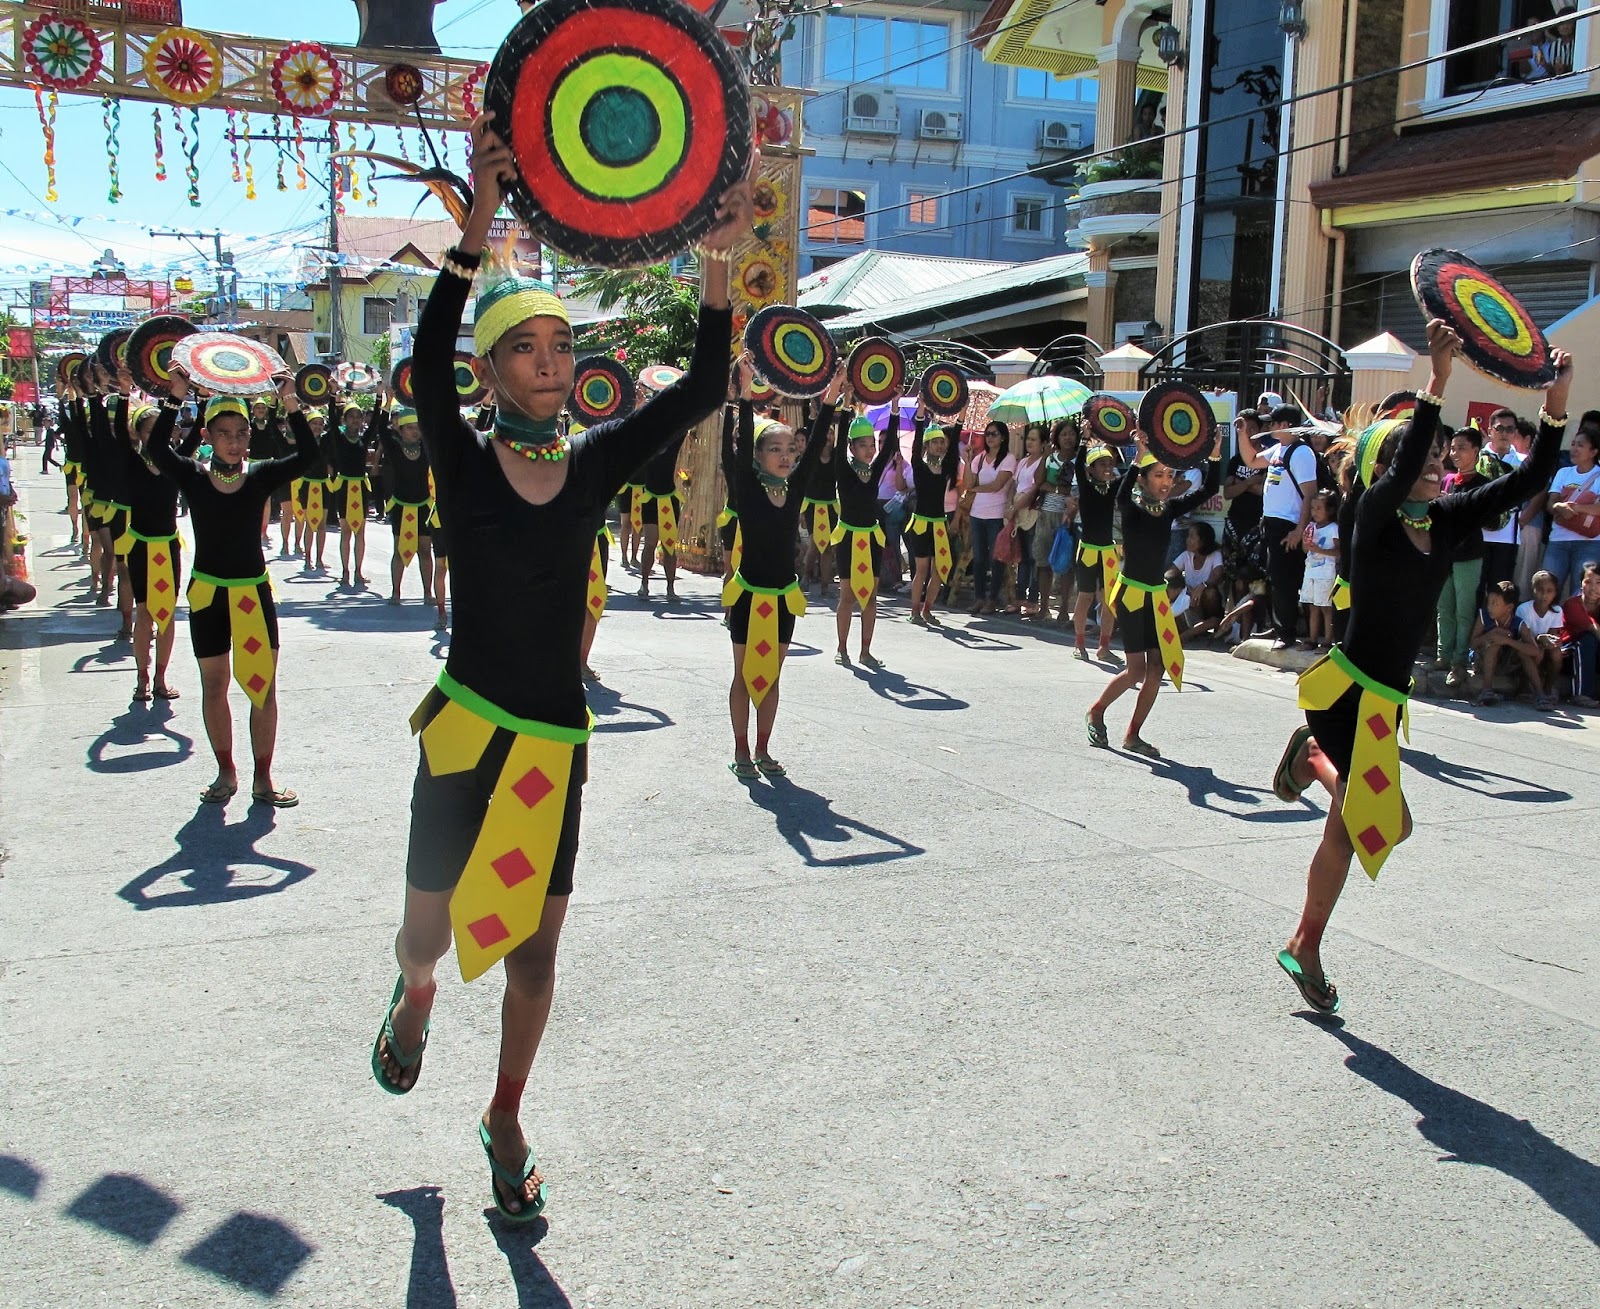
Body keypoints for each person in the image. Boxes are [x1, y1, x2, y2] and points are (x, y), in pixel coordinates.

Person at [368, 114, 747, 1225]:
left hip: (552, 750)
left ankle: (505, 1115)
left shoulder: (588, 472)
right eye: (527, 349)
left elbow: (701, 387)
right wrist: (476, 231)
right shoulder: (459, 458)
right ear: (492, 370)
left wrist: (716, 259)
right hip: (462, 736)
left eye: (561, 347)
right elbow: (428, 356)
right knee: (427, 935)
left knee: (534, 957)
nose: (549, 362)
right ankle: (418, 993)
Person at [1269, 321, 1568, 1015]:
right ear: (1383, 468)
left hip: (1383, 703)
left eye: (1439, 456)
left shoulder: (1447, 518)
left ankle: (1305, 926)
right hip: (1345, 695)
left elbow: (1530, 476)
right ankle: (1305, 931)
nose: (1434, 466)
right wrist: (1436, 381)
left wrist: (1556, 399)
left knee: (1368, 826)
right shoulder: (1369, 516)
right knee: (1373, 823)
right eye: (1420, 457)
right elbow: (1399, 471)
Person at [148, 370, 319, 806]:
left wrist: (290, 401)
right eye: (224, 433)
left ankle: (264, 778)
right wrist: (176, 396)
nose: (234, 441)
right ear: (207, 434)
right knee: (214, 685)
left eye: (241, 432)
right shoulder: (194, 476)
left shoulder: (261, 476)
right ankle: (226, 772)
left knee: (263, 687)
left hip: (252, 596)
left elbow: (308, 454)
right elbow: (155, 449)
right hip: (207, 596)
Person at [725, 359, 842, 775]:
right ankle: (740, 749)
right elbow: (733, 448)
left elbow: (814, 451)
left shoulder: (795, 489)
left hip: (784, 598)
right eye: (774, 449)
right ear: (757, 455)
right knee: (743, 676)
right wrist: (740, 398)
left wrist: (831, 395)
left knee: (772, 677)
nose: (785, 456)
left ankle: (762, 748)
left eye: (788, 449)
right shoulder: (748, 486)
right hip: (748, 595)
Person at [1086, 436, 1221, 758]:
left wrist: (1214, 456)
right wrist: (1137, 461)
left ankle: (1133, 734)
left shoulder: (1171, 508)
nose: (1165, 481)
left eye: (1169, 476)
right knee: (1135, 671)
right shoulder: (1131, 507)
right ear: (1144, 479)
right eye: (1158, 475)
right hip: (1132, 595)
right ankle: (1097, 710)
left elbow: (1209, 490)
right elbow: (1120, 496)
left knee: (1157, 668)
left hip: (1156, 597)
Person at [113, 375, 200, 703]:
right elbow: (120, 435)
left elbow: (192, 438)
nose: (156, 437)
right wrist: (123, 394)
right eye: (148, 432)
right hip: (139, 547)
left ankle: (162, 679)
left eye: (160, 431)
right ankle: (142, 680)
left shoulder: (176, 465)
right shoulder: (133, 462)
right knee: (145, 614)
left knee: (167, 615)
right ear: (140, 435)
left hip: (167, 547)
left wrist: (202, 400)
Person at [1237, 403, 1319, 649]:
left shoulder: (1301, 453)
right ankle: (1279, 626)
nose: (1269, 427)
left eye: (1273, 423)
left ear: (1285, 425)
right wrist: (1242, 434)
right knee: (1275, 578)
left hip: (1289, 526)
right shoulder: (1278, 449)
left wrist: (1299, 529)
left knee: (1286, 581)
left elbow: (1310, 494)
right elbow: (1251, 460)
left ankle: (1288, 633)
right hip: (1271, 524)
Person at [833, 410, 897, 666]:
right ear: (851, 447)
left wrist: (894, 406)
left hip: (871, 538)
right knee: (847, 597)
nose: (870, 450)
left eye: (872, 445)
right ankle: (842, 648)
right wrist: (847, 406)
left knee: (870, 597)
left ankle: (866, 650)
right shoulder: (844, 469)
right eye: (863, 445)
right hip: (848, 537)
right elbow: (837, 448)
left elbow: (890, 444)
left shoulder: (875, 469)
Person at [1433, 424, 1485, 685]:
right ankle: (1443, 655)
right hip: (1445, 552)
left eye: (1462, 448)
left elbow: (1485, 519)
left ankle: (1460, 661)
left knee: (1465, 610)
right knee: (1444, 607)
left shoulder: (1483, 484)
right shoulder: (1447, 480)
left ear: (1476, 450)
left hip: (1469, 554)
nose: (1455, 453)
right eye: (1452, 448)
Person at [374, 400, 436, 607]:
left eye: (417, 427)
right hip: (401, 506)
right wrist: (382, 402)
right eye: (409, 428)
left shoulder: (427, 448)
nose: (414, 432)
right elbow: (381, 429)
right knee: (399, 550)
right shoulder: (393, 447)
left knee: (425, 551)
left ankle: (428, 593)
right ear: (400, 430)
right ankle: (396, 592)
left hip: (424, 505)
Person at [905, 413, 959, 626]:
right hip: (920, 524)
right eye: (935, 442)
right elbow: (917, 440)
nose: (939, 445)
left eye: (941, 442)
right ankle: (915, 611)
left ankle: (928, 609)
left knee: (940, 569)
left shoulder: (946, 467)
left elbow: (954, 446)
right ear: (927, 445)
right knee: (922, 570)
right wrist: (920, 412)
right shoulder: (918, 465)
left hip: (939, 525)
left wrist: (961, 416)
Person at [1071, 441, 1120, 660]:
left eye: (1110, 463)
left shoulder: (1114, 488)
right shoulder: (1086, 487)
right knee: (1085, 596)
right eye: (1102, 464)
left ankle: (1104, 646)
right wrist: (1084, 441)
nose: (1107, 467)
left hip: (1108, 551)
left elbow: (1131, 477)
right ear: (1091, 469)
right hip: (1088, 551)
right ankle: (1079, 644)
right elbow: (1078, 466)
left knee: (1110, 600)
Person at [1539, 421, 1600, 594]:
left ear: (1594, 452)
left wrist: (1576, 508)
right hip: (1558, 540)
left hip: (1590, 543)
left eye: (1580, 445)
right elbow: (1550, 504)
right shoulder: (1563, 473)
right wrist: (1559, 506)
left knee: (1581, 593)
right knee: (1547, 588)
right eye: (1573, 444)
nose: (1574, 449)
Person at [964, 421, 1016, 615]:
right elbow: (968, 483)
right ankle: (979, 597)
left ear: (1003, 437)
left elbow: (997, 485)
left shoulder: (1008, 459)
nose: (990, 437)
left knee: (996, 559)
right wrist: (968, 461)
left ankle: (992, 599)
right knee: (978, 558)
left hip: (996, 515)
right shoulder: (980, 458)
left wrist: (976, 489)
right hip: (977, 513)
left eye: (994, 434)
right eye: (987, 434)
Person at [635, 425, 688, 602]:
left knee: (669, 546)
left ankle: (670, 587)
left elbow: (684, 427)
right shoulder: (645, 447)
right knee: (650, 543)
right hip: (650, 499)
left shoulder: (672, 445)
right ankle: (644, 584)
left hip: (669, 500)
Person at [1468, 580, 1541, 708]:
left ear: (1509, 608)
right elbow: (1473, 644)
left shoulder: (1518, 623)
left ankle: (1540, 694)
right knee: (1494, 643)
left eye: (1495, 603)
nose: (1489, 607)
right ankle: (1486, 689)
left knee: (1523, 652)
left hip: (1507, 665)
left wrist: (1508, 641)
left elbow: (1535, 651)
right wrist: (1491, 634)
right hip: (1481, 662)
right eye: (1489, 602)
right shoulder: (1484, 616)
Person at [326, 400, 373, 589]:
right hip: (344, 487)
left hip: (360, 488)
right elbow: (331, 416)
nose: (355, 420)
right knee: (346, 532)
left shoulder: (365, 438)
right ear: (344, 420)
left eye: (358, 417)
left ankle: (358, 571)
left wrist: (380, 399)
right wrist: (332, 395)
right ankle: (345, 571)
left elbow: (377, 420)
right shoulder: (339, 437)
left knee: (360, 533)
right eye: (351, 417)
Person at [798, 397, 837, 600]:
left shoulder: (838, 456)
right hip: (812, 506)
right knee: (815, 544)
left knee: (828, 546)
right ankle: (806, 575)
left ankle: (825, 585)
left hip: (831, 506)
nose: (828, 436)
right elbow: (813, 433)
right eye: (826, 432)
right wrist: (813, 416)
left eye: (831, 433)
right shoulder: (811, 456)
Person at [1515, 569, 1566, 709]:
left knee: (1556, 653)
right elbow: (1525, 637)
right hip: (1525, 647)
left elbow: (1553, 635)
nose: (1544, 595)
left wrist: (1552, 641)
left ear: (1555, 592)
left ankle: (1548, 688)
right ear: (1533, 590)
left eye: (1550, 591)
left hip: (1541, 647)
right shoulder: (1524, 609)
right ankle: (1532, 689)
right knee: (1537, 652)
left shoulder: (1557, 610)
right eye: (1540, 590)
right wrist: (1540, 639)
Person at [1009, 425, 1045, 615]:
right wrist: (1011, 506)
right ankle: (1019, 597)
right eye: (1028, 438)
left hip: (1031, 511)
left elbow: (1036, 487)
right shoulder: (1022, 462)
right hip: (1018, 511)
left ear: (1043, 444)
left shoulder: (1043, 462)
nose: (1029, 442)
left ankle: (1033, 600)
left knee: (1033, 557)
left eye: (1034, 439)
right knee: (1022, 558)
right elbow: (1014, 485)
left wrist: (1017, 506)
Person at [1297, 490, 1339, 650]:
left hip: (1326, 573)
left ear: (1330, 510)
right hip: (1311, 571)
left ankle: (1328, 641)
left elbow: (1339, 551)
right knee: (1312, 606)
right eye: (1313, 508)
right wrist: (1306, 543)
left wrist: (1320, 549)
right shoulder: (1310, 526)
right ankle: (1312, 639)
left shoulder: (1333, 528)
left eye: (1319, 508)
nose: (1314, 512)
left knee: (1326, 608)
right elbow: (1304, 550)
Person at [1174, 521, 1224, 639]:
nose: (1187, 540)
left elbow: (1218, 574)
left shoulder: (1215, 555)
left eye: (1192, 537)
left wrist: (1203, 586)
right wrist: (1183, 586)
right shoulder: (1186, 555)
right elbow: (1169, 573)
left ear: (1203, 541)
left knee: (1210, 592)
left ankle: (1187, 634)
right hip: (1192, 606)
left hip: (1210, 608)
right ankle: (1196, 629)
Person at [1560, 561, 1600, 707]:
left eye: (1598, 582)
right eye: (1588, 582)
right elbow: (1594, 628)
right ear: (1581, 584)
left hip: (1592, 656)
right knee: (1588, 640)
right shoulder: (1572, 604)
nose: (1593, 587)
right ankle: (1582, 694)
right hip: (1566, 656)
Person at [876, 426, 911, 594]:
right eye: (880, 441)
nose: (882, 444)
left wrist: (897, 465)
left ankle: (897, 577)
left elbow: (905, 486)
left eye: (886, 441)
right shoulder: (876, 461)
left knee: (893, 541)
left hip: (894, 506)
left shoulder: (902, 462)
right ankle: (883, 576)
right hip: (877, 505)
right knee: (881, 543)